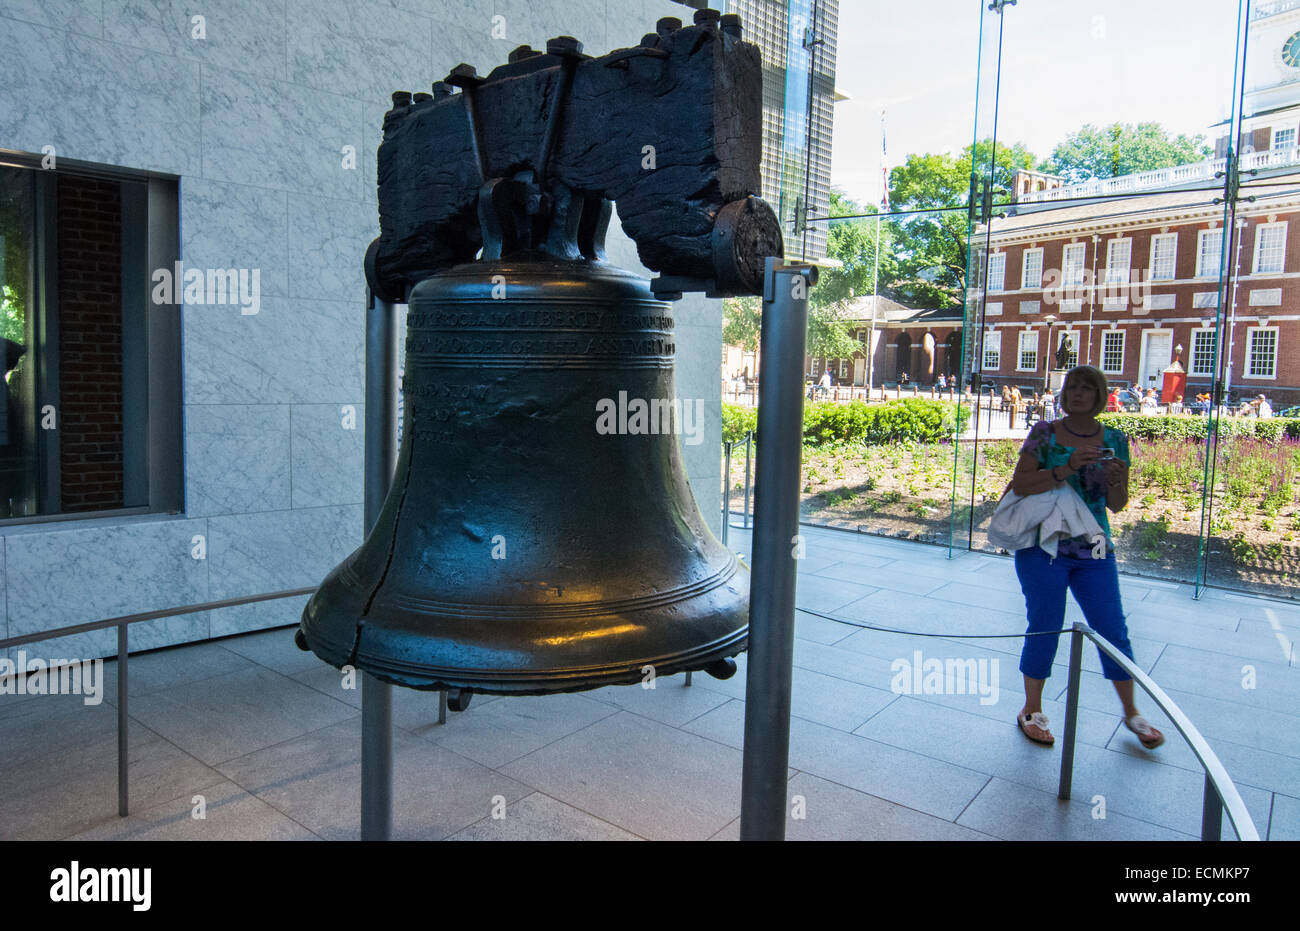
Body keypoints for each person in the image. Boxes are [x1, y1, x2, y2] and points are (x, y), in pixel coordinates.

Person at [1008, 365, 1164, 751]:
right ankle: (1032, 709)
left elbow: (1117, 504)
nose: (1078, 393)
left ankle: (1131, 713)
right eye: (1072, 387)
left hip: (1094, 548)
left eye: (1087, 388)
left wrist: (1115, 479)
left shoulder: (1115, 438)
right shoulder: (1044, 433)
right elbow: (1023, 483)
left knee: (1112, 628)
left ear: (1100, 395)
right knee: (1045, 624)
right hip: (1044, 546)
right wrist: (1067, 467)